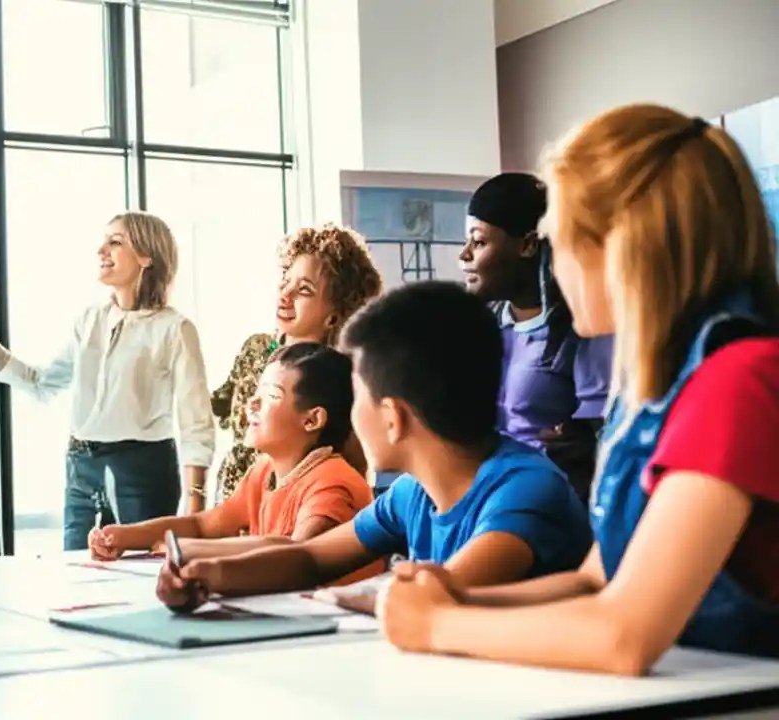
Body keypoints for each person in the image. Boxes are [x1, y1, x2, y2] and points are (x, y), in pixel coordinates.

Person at [376, 105, 779, 672]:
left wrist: (439, 623)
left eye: (560, 245)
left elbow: (625, 635)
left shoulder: (739, 379)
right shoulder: (648, 390)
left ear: (625, 247)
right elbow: (596, 579)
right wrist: (454, 595)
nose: (553, 270)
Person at [156, 281, 592, 612]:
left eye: (356, 394)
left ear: (392, 417)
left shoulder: (525, 489)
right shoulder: (413, 493)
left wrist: (338, 599)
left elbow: (438, 590)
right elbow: (310, 558)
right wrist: (209, 576)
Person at [0, 212, 215, 550]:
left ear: (146, 256)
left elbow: (196, 423)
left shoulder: (175, 329)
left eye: (115, 242)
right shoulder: (88, 321)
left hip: (142, 472)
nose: (101, 250)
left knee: (140, 581)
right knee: (77, 575)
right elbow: (41, 383)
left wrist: (194, 514)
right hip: (81, 469)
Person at [88, 343, 376, 581]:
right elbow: (203, 525)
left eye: (271, 395)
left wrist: (187, 550)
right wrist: (126, 535)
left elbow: (299, 553)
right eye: (257, 392)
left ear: (312, 419)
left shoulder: (333, 482)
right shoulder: (264, 471)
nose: (252, 402)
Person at [458, 172, 613, 501]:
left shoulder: (582, 331)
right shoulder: (481, 330)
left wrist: (586, 445)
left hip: (555, 509)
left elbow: (609, 444)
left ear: (527, 244)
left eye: (479, 241)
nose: (464, 255)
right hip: (486, 503)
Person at [210, 224, 382, 500]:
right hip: (233, 500)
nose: (285, 295)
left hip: (295, 507)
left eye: (304, 290)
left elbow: (355, 469)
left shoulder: (341, 379)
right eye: (285, 280)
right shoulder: (256, 348)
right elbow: (220, 410)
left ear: (335, 314)